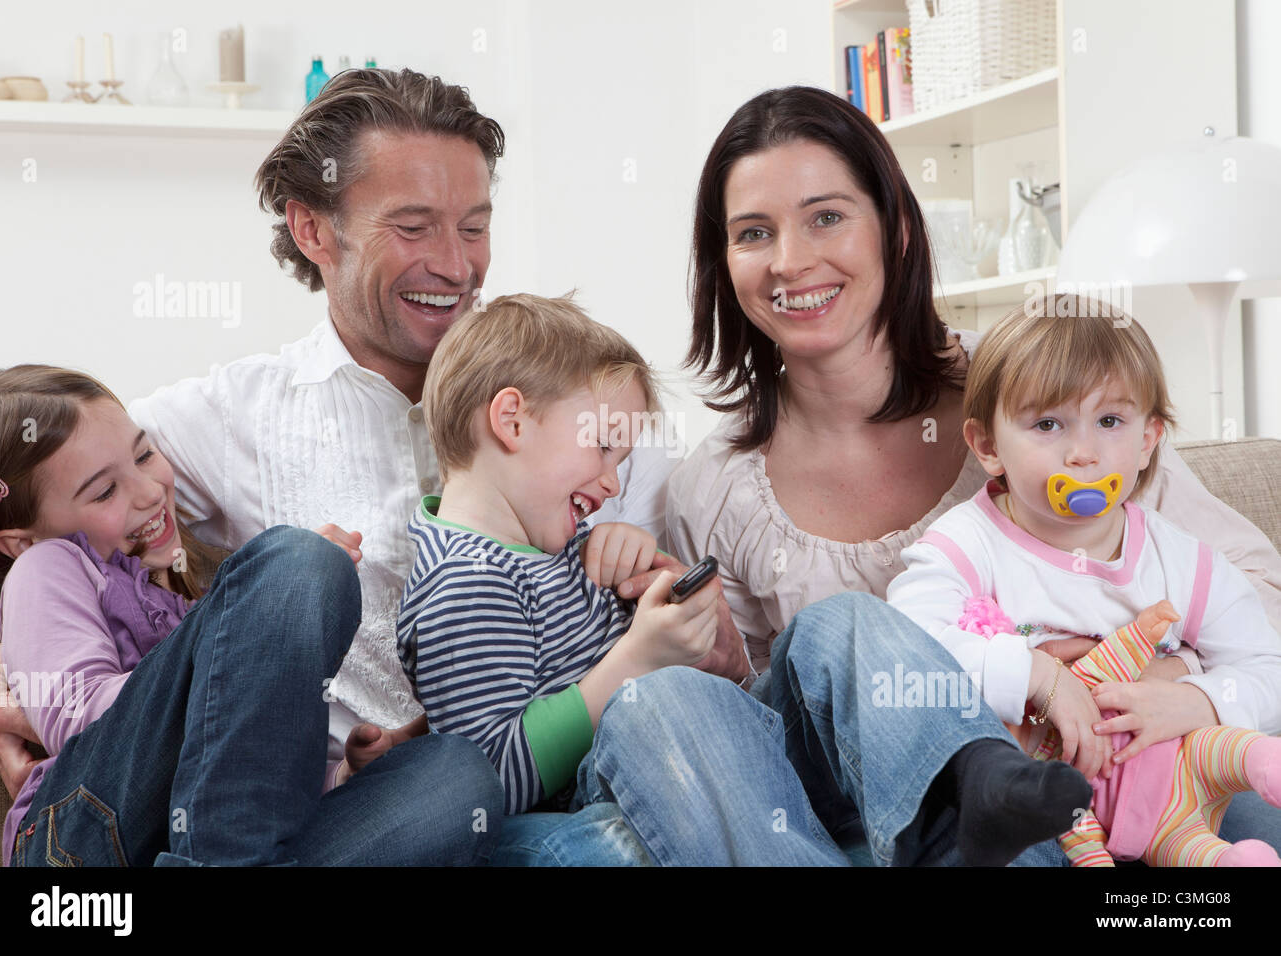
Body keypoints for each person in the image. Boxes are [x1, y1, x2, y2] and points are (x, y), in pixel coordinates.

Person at [0, 70, 739, 864]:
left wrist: (682, 610)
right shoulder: (218, 420)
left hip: (426, 800)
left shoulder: (588, 408)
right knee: (302, 563)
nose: (455, 265)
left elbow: (695, 642)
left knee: (472, 783)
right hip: (277, 812)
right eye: (413, 228)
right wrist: (1, 674)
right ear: (312, 228)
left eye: (474, 227)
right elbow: (38, 504)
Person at [667, 85, 1281, 864]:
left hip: (1133, 764)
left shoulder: (1041, 388)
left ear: (894, 230)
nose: (790, 260)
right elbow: (754, 731)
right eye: (754, 233)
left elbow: (1253, 588)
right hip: (893, 823)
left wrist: (1154, 676)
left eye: (826, 216)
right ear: (725, 262)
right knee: (845, 629)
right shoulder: (711, 490)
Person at [399, 291, 1088, 865]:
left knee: (839, 620)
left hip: (738, 762)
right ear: (511, 419)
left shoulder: (559, 539)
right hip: (615, 800)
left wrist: (648, 578)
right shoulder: (462, 583)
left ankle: (964, 784)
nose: (612, 484)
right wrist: (636, 662)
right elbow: (488, 780)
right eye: (604, 448)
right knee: (660, 699)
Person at [0, 365, 502, 866]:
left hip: (200, 840)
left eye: (144, 456)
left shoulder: (181, 596)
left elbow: (244, 780)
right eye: (103, 491)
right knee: (302, 561)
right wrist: (235, 626)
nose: (147, 491)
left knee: (455, 777)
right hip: (81, 836)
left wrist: (341, 776)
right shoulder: (47, 566)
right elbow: (76, 719)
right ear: (22, 540)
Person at [885, 305, 1281, 866]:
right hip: (1041, 806)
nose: (1083, 454)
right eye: (1047, 425)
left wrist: (1197, 701)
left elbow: (1269, 667)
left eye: (1110, 422)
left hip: (1171, 789)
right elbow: (904, 647)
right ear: (987, 445)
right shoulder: (966, 545)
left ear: (1149, 440)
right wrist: (1036, 674)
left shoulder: (1183, 560)